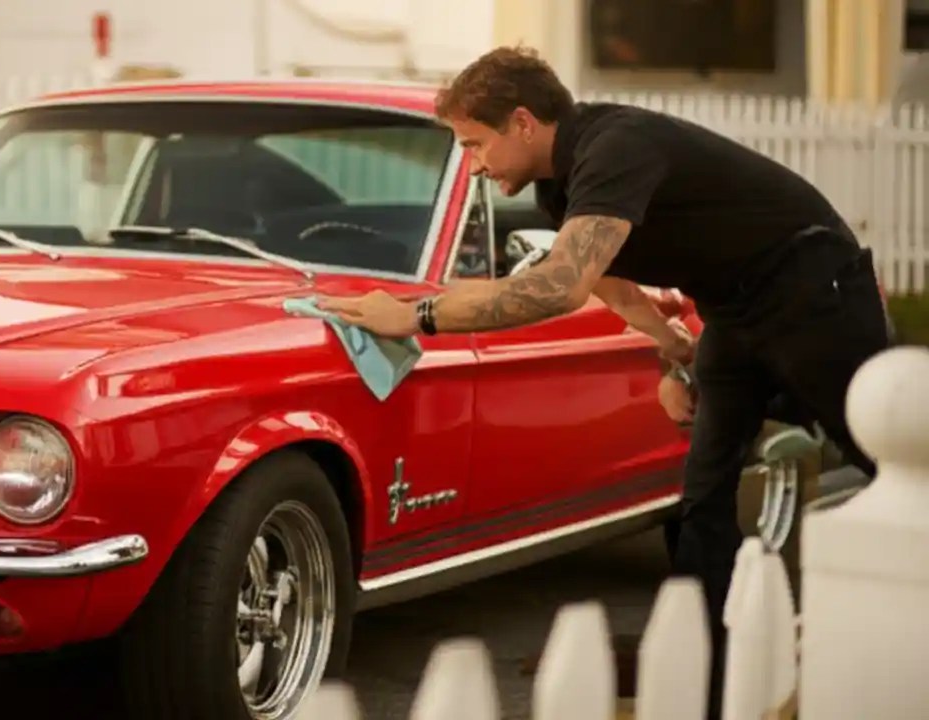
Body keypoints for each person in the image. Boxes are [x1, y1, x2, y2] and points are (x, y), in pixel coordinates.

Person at [318, 45, 891, 718]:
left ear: (522, 123)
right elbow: (609, 279)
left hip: (814, 292)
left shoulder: (617, 146)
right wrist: (672, 351)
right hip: (734, 313)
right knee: (703, 498)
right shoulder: (556, 186)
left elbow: (559, 287)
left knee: (887, 458)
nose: (473, 165)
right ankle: (708, 680)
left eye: (476, 145)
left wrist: (417, 317)